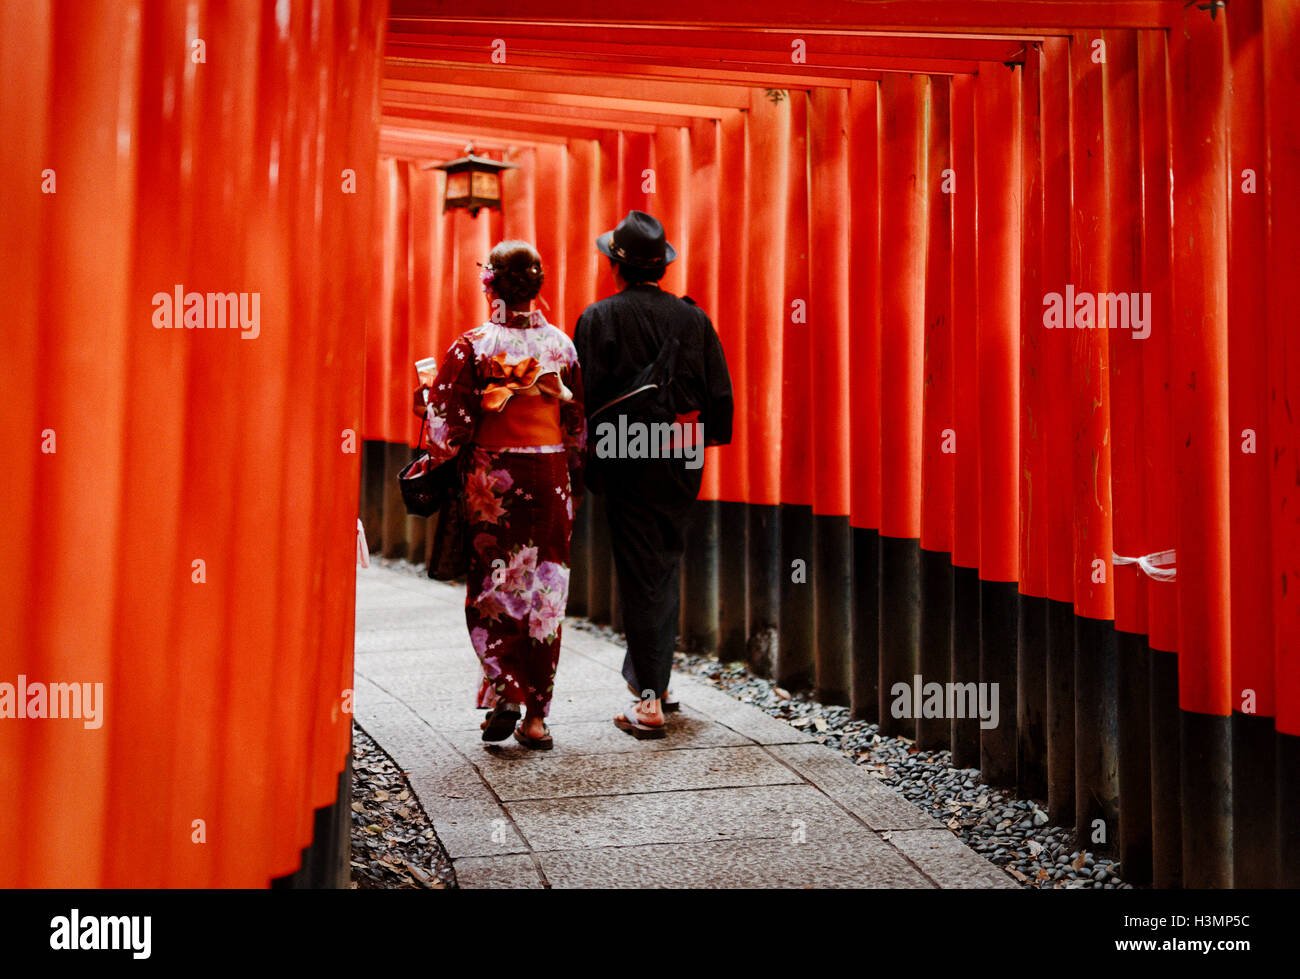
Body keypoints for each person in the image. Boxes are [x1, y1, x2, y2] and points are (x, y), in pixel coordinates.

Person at [414, 240, 586, 750]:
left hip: (494, 477)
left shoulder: (473, 346)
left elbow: (447, 430)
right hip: (551, 473)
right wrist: (565, 467)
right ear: (536, 285)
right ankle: (535, 716)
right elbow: (577, 427)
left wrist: (426, 407)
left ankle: (506, 691)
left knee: (497, 589)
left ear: (489, 282)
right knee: (545, 588)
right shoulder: (562, 346)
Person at [574, 210, 733, 739]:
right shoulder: (693, 320)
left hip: (624, 457)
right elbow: (718, 397)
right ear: (660, 266)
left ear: (616, 266)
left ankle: (648, 704)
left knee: (642, 571)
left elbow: (584, 398)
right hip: (681, 455)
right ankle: (655, 683)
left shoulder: (598, 318)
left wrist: (586, 459)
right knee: (661, 563)